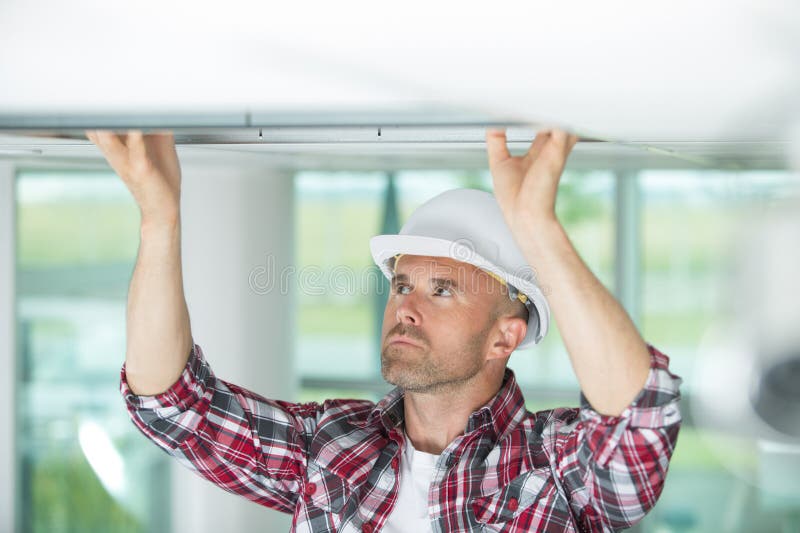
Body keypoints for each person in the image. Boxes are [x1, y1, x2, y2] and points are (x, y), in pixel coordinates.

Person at [87, 128, 682, 532]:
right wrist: (158, 219)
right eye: (402, 285)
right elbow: (171, 405)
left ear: (506, 336)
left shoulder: (553, 465)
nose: (406, 308)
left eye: (442, 290)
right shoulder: (329, 447)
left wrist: (537, 229)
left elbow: (638, 428)